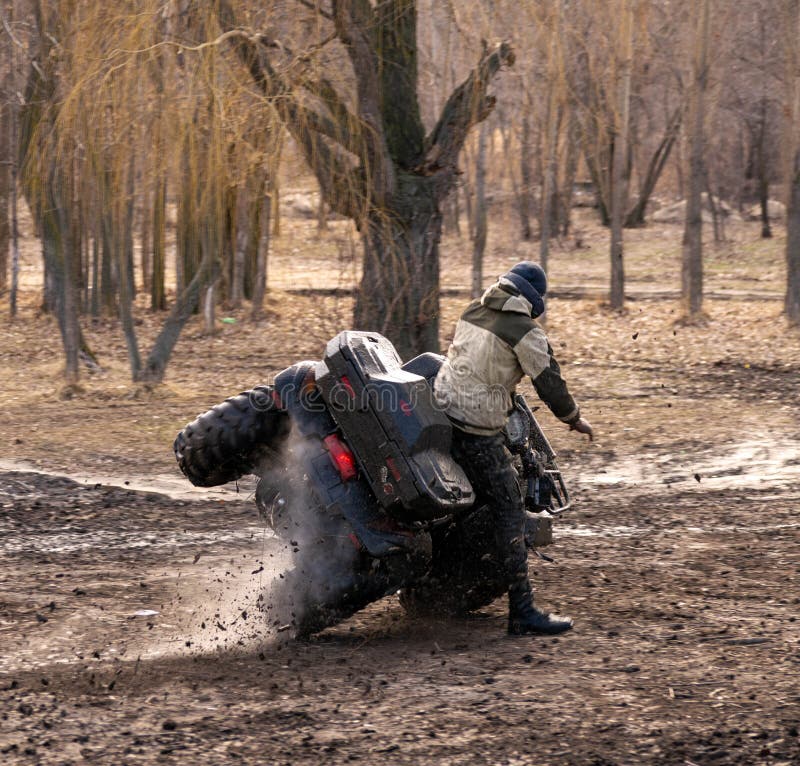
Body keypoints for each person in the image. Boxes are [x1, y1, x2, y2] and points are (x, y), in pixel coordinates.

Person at [434, 261, 593, 635]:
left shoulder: (473, 309)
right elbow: (549, 383)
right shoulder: (525, 331)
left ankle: (450, 584)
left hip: (440, 414)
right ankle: (521, 610)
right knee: (509, 508)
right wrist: (573, 418)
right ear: (534, 300)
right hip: (476, 429)